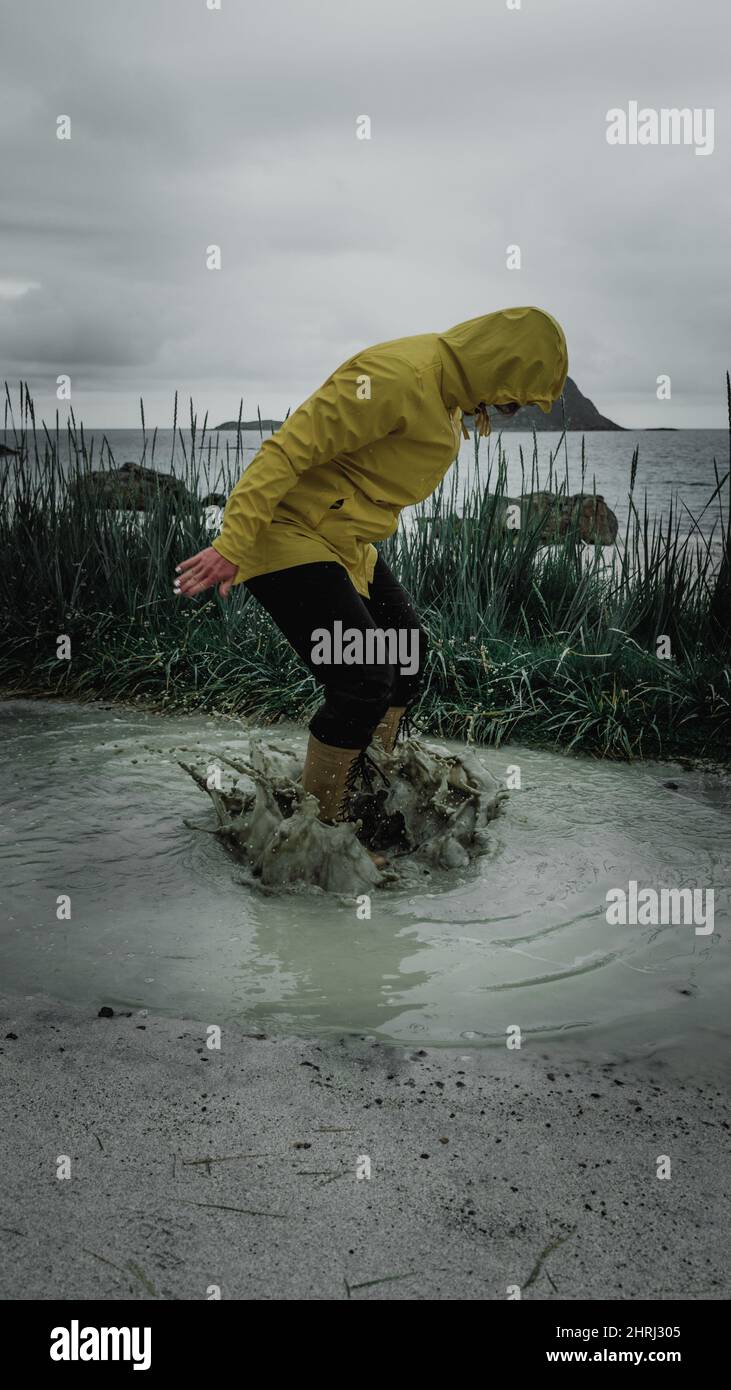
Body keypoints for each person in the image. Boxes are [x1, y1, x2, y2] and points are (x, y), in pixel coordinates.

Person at [175, 305, 568, 827]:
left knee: (406, 654)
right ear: (498, 363)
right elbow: (285, 451)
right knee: (363, 674)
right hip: (285, 531)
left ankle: (366, 783)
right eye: (515, 395)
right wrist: (233, 541)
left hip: (342, 541)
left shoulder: (452, 397)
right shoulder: (395, 376)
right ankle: (322, 829)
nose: (511, 408)